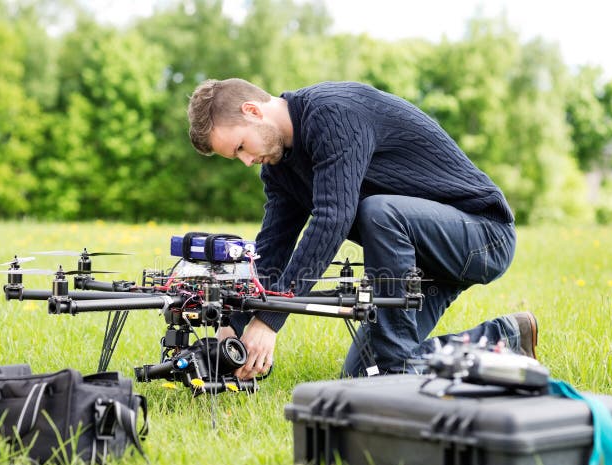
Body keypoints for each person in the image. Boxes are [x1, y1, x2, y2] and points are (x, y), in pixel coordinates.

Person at [187, 78, 538, 380]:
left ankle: (397, 365)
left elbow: (332, 219)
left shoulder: (333, 114)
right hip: (417, 262)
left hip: (482, 234)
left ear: (252, 111)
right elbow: (273, 248)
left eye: (241, 147)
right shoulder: (280, 169)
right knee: (365, 376)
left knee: (380, 212)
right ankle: (505, 338)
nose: (247, 161)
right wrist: (234, 321)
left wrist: (269, 319)